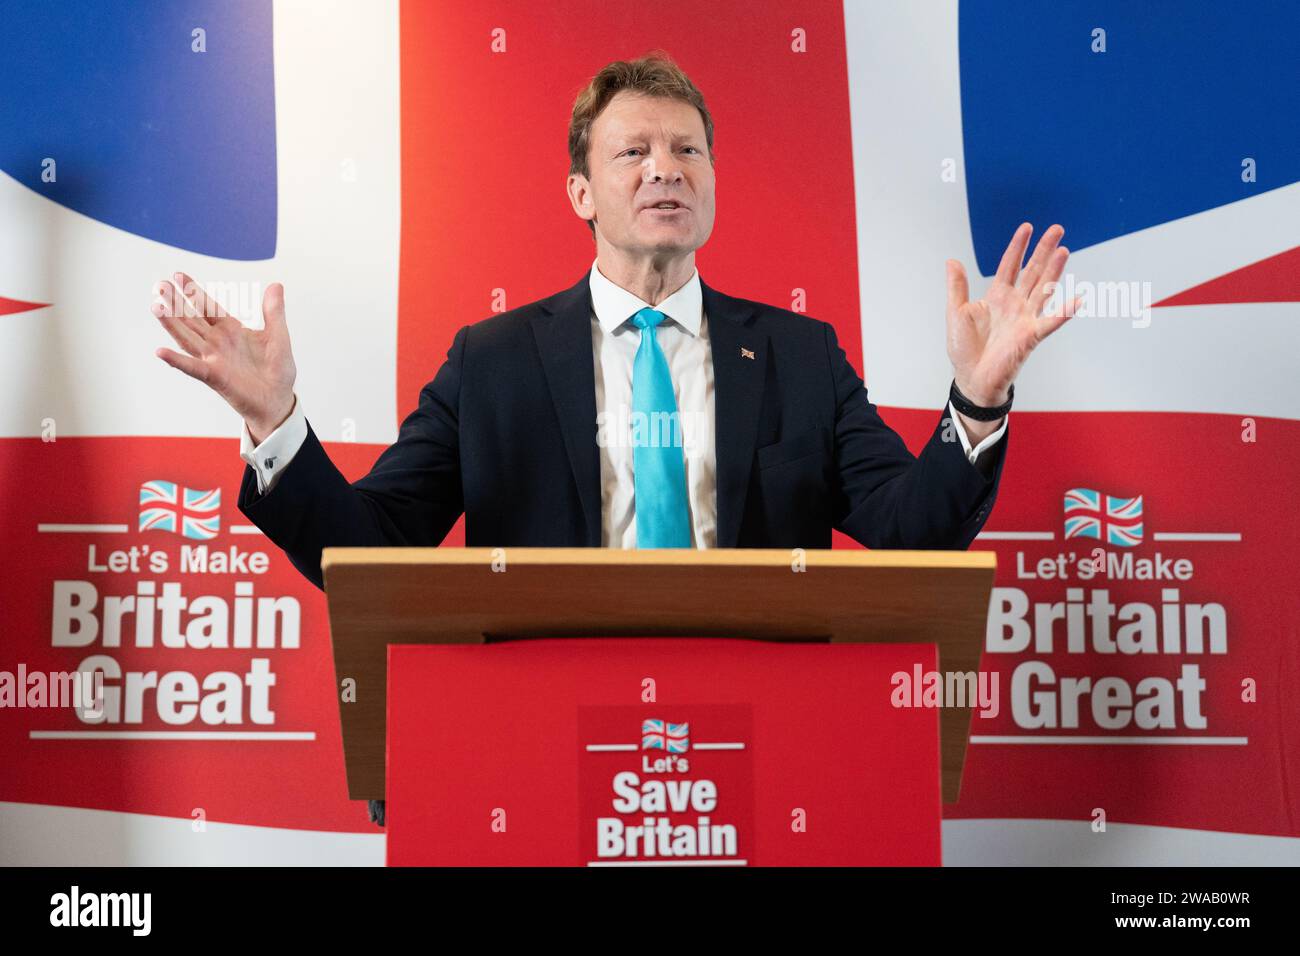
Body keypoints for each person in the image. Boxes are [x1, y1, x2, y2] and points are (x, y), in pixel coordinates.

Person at [150, 54, 1077, 824]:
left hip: (756, 763)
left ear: (713, 182)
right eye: (634, 150)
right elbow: (370, 548)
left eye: (688, 151)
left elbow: (910, 537)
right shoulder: (494, 360)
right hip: (533, 755)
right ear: (581, 192)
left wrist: (976, 396)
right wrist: (275, 421)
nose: (666, 168)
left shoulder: (798, 354)